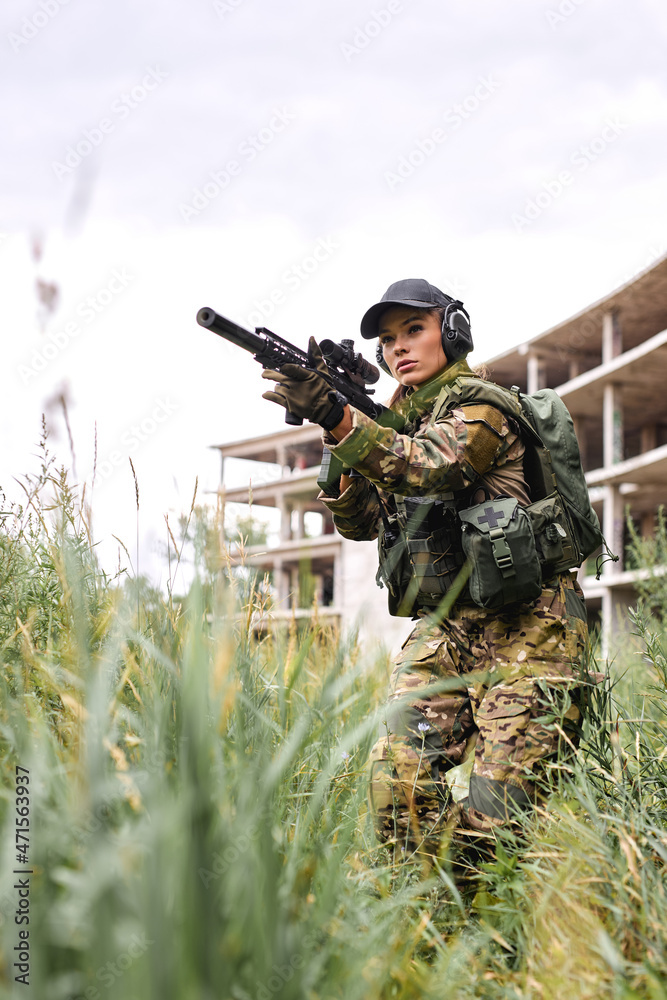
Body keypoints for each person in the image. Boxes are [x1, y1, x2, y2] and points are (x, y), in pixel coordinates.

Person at [261, 278, 591, 860]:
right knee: (398, 786)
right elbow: (360, 521)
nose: (399, 349)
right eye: (388, 340)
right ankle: (433, 923)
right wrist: (332, 428)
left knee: (500, 815)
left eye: (415, 329)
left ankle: (498, 925)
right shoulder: (391, 421)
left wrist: (341, 418)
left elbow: (428, 468)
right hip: (447, 626)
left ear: (453, 330)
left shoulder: (483, 406)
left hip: (533, 626)